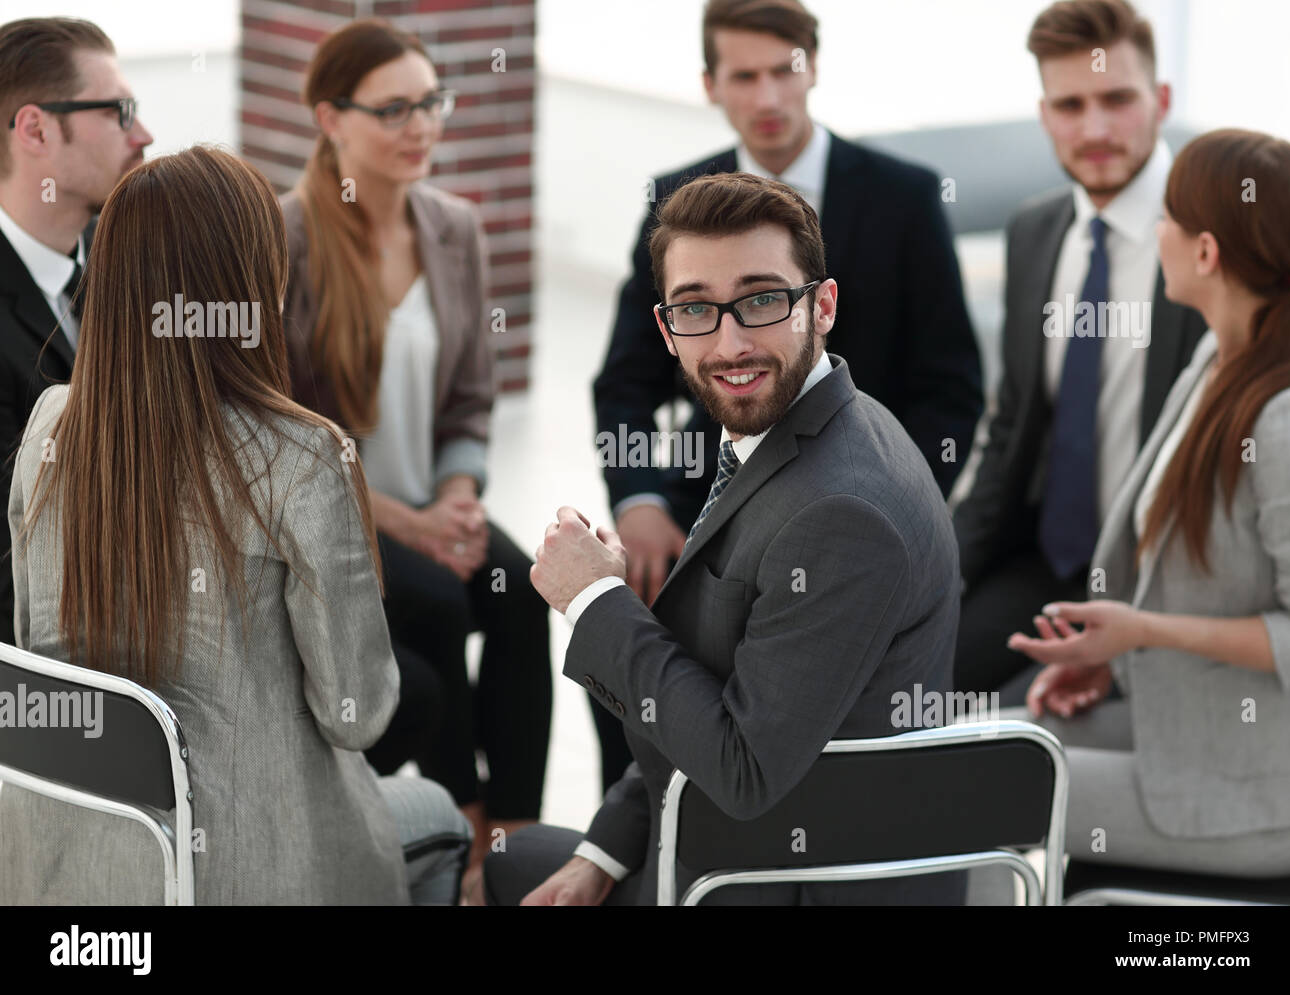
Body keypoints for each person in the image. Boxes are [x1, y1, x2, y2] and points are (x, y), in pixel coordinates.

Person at [0, 145, 470, 904]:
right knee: (440, 816)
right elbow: (361, 710)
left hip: (68, 864)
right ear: (253, 280)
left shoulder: (52, 423)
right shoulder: (303, 455)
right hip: (251, 869)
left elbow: (32, 641)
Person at [483, 172, 966, 906]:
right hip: (732, 845)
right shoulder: (807, 421)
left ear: (823, 305)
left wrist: (596, 599)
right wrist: (607, 850)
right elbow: (710, 679)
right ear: (666, 330)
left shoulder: (842, 515)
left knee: (480, 865)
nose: (730, 342)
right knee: (518, 860)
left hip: (771, 879)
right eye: (696, 309)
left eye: (763, 299)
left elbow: (742, 767)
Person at [589, 0, 982, 790]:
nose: (768, 97)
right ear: (711, 84)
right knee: (625, 639)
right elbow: (625, 380)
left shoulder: (903, 198)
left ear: (813, 69)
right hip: (703, 497)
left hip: (839, 496)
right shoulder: (674, 202)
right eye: (745, 75)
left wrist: (874, 534)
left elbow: (951, 388)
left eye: (784, 71)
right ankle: (635, 831)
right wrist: (638, 502)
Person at [279, 19, 550, 899]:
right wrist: (411, 525)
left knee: (520, 591)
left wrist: (459, 501)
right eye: (393, 109)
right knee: (437, 596)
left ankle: (514, 838)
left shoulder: (454, 228)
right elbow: (285, 428)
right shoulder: (286, 239)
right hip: (336, 512)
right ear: (331, 118)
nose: (421, 125)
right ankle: (464, 830)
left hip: (433, 500)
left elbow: (472, 398)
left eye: (431, 101)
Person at [1004, 128, 1290, 878]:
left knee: (974, 791)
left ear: (1205, 253)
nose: (1154, 233)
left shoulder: (1285, 417)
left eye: (1166, 218)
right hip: (1178, 725)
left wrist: (1139, 630)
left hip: (1256, 787)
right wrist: (1117, 661)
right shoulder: (1215, 357)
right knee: (973, 743)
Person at [952, 0, 1206, 705]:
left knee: (1011, 730)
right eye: (1071, 105)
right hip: (1046, 559)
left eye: (1117, 99)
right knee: (903, 681)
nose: (1094, 129)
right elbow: (1009, 434)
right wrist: (932, 570)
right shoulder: (1035, 231)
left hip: (1162, 581)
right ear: (1044, 115)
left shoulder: (1219, 236)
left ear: (1159, 100)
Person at [0, 16, 153, 645]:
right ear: (35, 128)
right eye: (119, 112)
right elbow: (20, 553)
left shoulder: (128, 252)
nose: (144, 134)